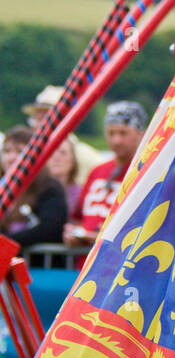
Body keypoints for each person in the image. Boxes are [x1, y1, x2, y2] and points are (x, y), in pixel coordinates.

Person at [64, 101, 147, 252]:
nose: (117, 140)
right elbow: (77, 217)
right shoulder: (98, 171)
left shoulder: (146, 172)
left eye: (123, 133)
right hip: (84, 263)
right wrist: (72, 232)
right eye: (111, 133)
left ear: (140, 134)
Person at [0, 126, 67, 256]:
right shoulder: (3, 188)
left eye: (19, 151)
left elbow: (50, 228)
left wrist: (7, 242)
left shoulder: (50, 187)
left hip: (42, 267)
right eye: (7, 151)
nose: (11, 157)